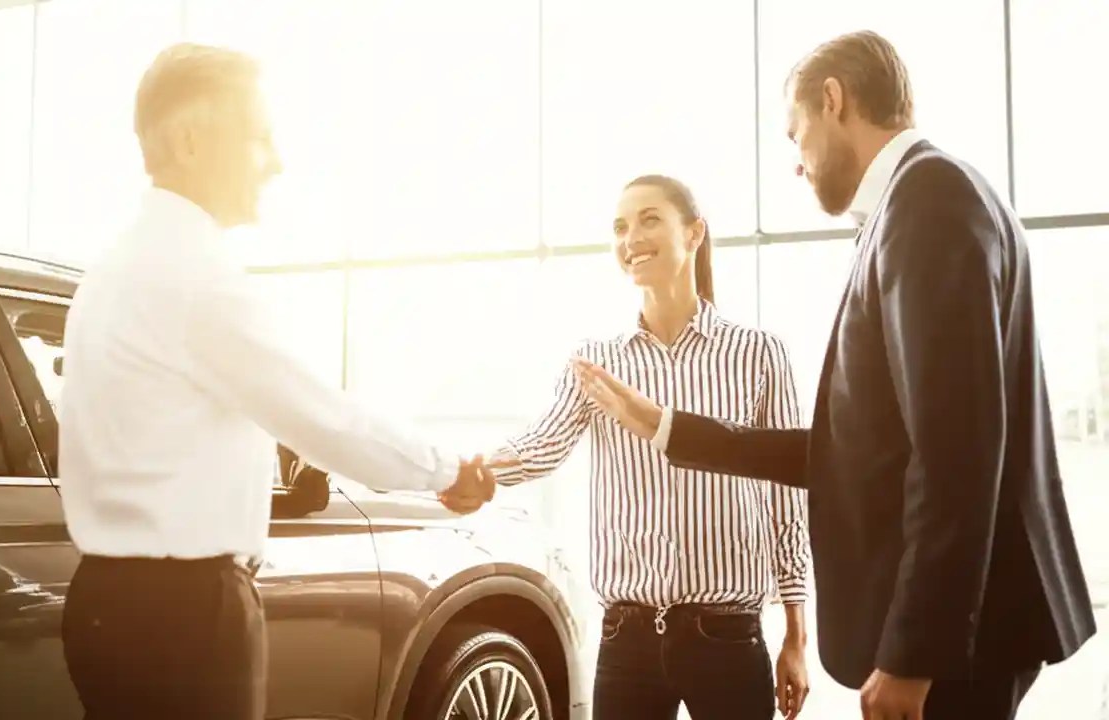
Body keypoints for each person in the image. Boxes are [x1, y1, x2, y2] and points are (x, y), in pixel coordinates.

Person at [571, 31, 1096, 720]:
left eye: (796, 135)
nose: (796, 162)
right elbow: (862, 447)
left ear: (833, 100)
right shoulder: (923, 201)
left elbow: (957, 454)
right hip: (973, 626)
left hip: (960, 642)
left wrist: (914, 654)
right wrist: (665, 427)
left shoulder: (927, 203)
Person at [58, 43, 494, 720]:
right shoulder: (199, 275)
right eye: (259, 137)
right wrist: (445, 471)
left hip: (105, 602)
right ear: (194, 140)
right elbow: (322, 418)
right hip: (186, 615)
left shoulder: (109, 272)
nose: (277, 161)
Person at [445, 174, 813, 719]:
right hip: (627, 637)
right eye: (620, 226)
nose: (631, 237)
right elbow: (544, 442)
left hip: (729, 637)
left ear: (693, 234)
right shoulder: (596, 362)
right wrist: (478, 472)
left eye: (648, 219)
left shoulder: (757, 354)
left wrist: (796, 637)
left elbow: (787, 498)